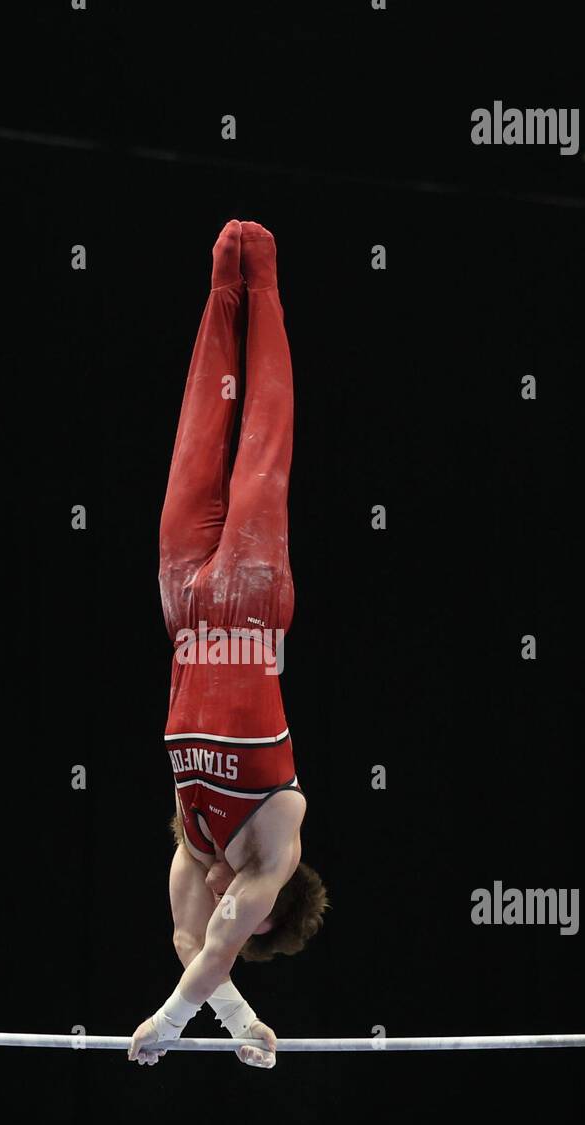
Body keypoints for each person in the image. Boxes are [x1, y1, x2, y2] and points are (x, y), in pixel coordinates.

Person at [129, 221, 328, 1070]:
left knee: (198, 429)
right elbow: (213, 948)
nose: (219, 907)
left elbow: (187, 941)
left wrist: (238, 1024)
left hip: (184, 608)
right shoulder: (277, 837)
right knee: (262, 437)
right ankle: (265, 283)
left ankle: (221, 285)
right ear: (264, 905)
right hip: (247, 606)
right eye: (239, 914)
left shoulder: (196, 844)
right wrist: (169, 1026)